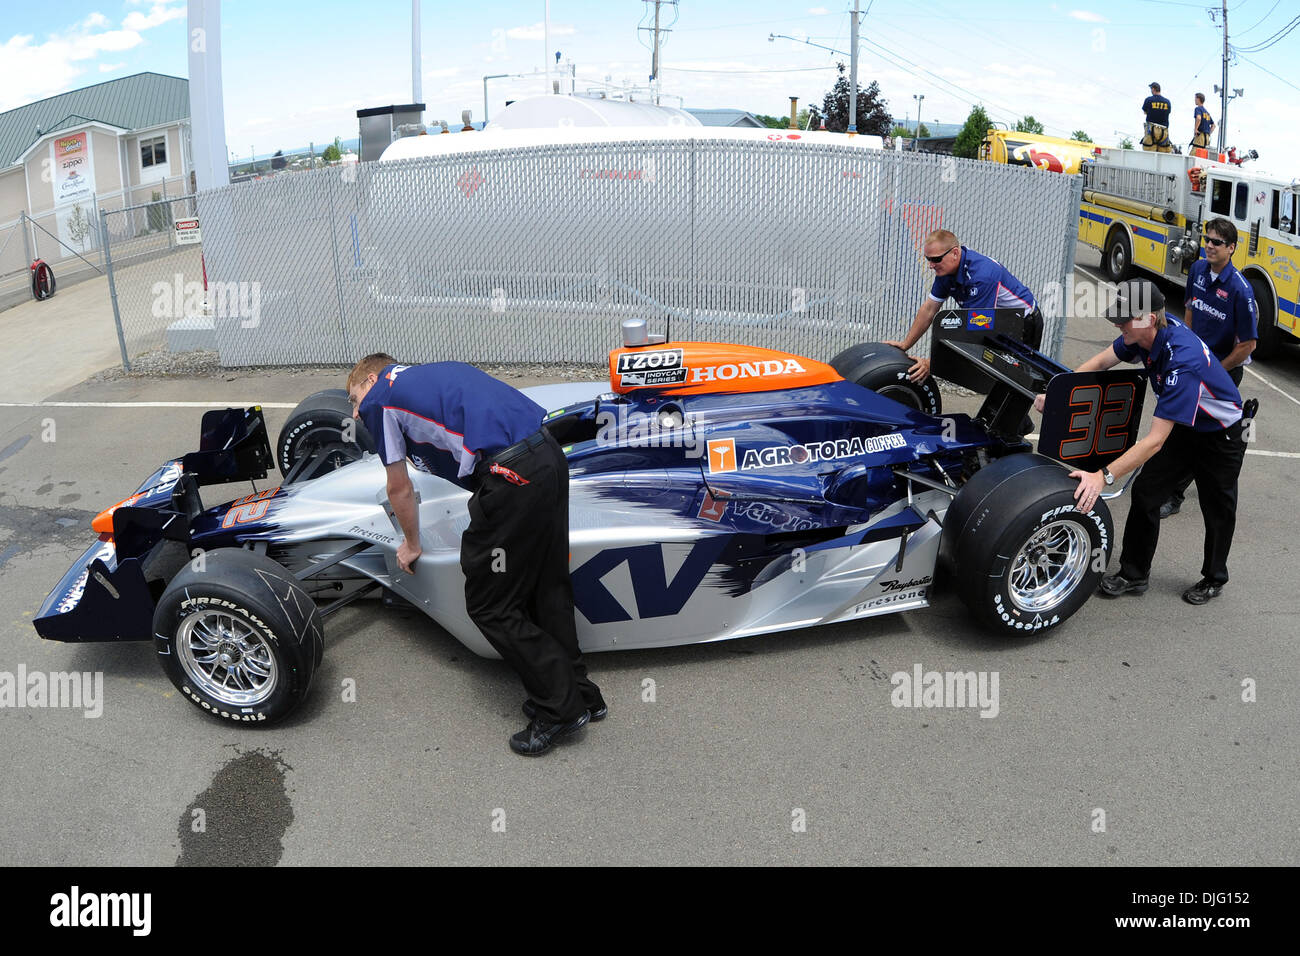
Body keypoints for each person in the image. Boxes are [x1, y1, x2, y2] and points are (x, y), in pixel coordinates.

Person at [346, 354, 605, 755]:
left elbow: (398, 487)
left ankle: (560, 709)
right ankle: (582, 693)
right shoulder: (438, 373)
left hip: (511, 476)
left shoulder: (382, 398)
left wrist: (412, 543)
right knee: (546, 584)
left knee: (490, 605)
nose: (355, 411)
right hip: (548, 456)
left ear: (370, 378)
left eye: (353, 397)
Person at [1032, 279, 1247, 605]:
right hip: (1186, 427)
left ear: (1149, 318)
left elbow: (1155, 441)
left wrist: (1101, 476)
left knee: (1217, 507)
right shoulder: (1142, 336)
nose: (1118, 325)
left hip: (1222, 433)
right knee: (1147, 492)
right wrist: (1060, 392)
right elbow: (1102, 362)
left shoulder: (1182, 360)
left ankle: (1215, 577)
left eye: (1124, 319)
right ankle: (1134, 575)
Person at [1160, 217, 1257, 517]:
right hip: (1194, 363)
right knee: (1182, 423)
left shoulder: (1241, 290)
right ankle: (1170, 482)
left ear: (1231, 248)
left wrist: (1216, 368)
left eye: (1216, 242)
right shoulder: (1199, 270)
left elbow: (1248, 345)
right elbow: (1190, 308)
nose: (1209, 246)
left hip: (1222, 372)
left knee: (1197, 430)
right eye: (1207, 239)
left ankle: (1175, 495)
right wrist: (1186, 348)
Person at [887, 228, 1043, 383]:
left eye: (935, 259)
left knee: (1016, 384)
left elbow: (974, 331)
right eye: (927, 259)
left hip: (1023, 324)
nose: (930, 265)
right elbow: (929, 310)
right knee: (999, 383)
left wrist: (930, 363)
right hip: (998, 321)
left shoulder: (982, 276)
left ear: (955, 253)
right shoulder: (945, 271)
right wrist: (905, 344)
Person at [1141, 82, 1172, 152]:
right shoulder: (1167, 102)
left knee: (1149, 152)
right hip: (1163, 131)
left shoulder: (1148, 100)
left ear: (1153, 89)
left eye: (1151, 89)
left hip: (1151, 130)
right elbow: (1168, 113)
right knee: (1163, 154)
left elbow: (1145, 112)